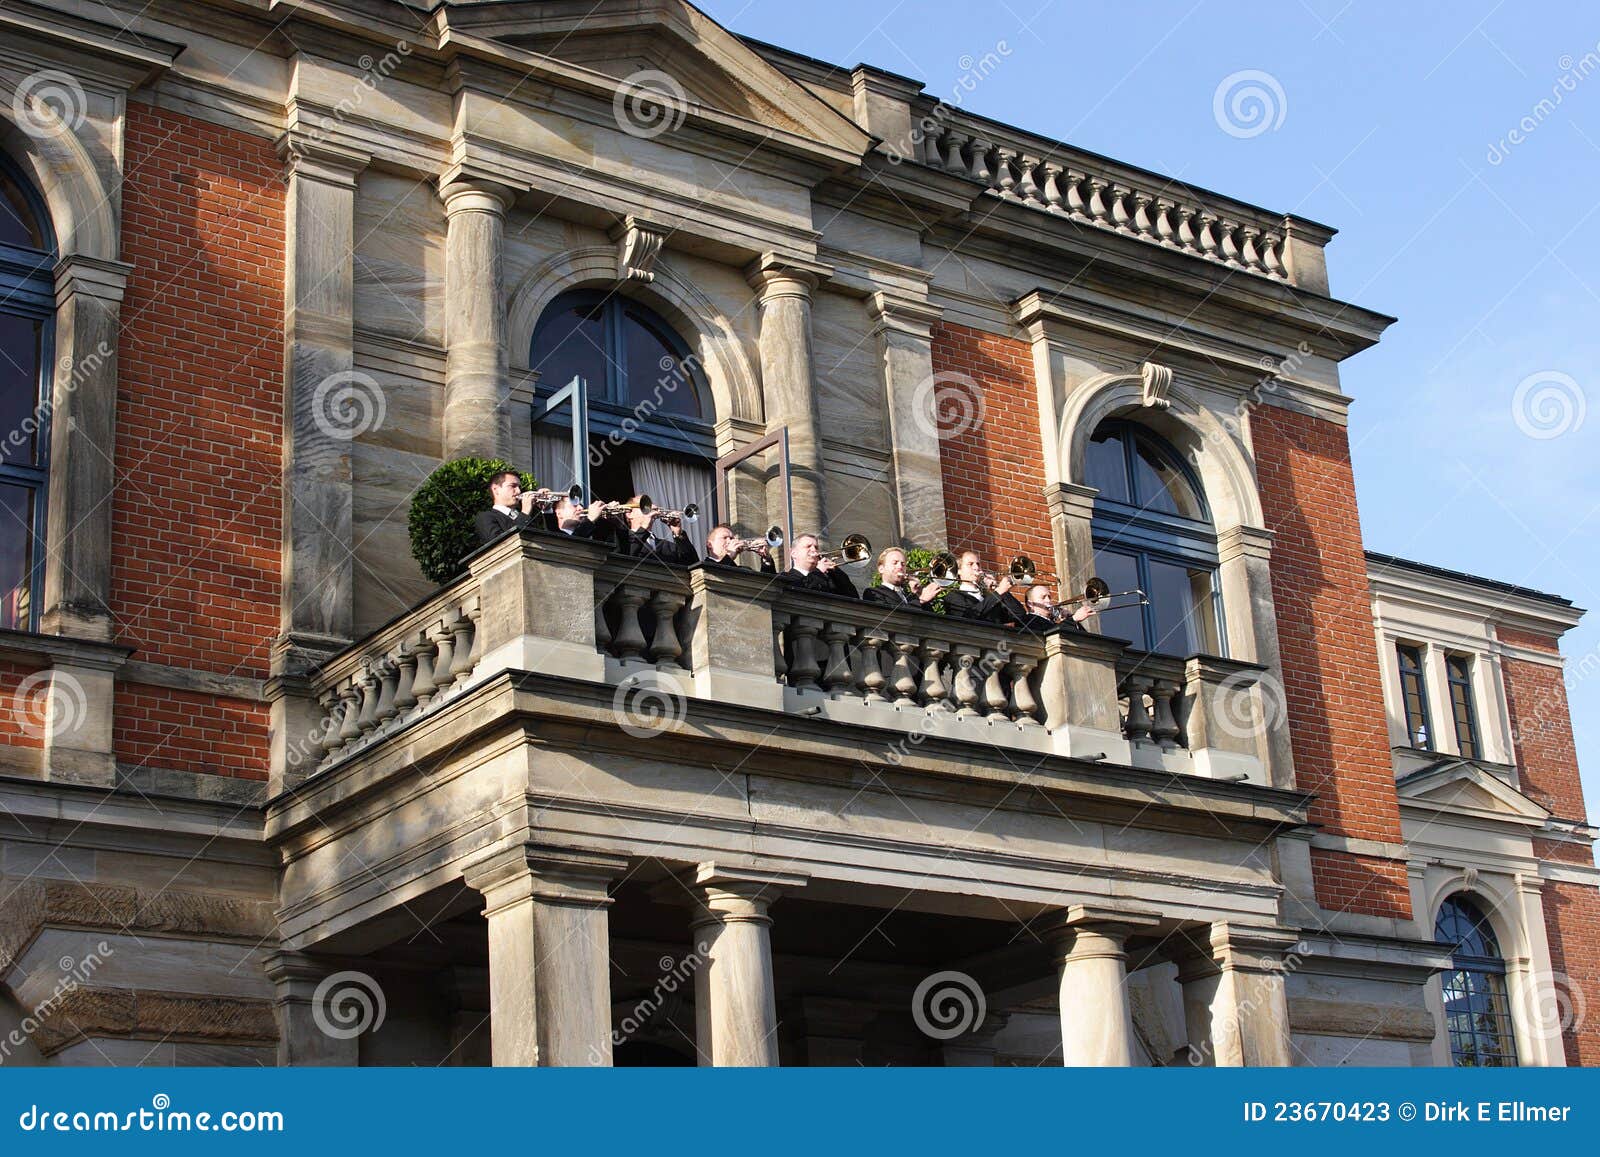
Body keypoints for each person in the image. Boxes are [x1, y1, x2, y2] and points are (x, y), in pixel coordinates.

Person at [941, 550, 1023, 626]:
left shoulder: (991, 597)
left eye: (978, 564)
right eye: (970, 564)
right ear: (959, 570)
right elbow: (969, 616)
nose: (976, 567)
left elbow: (1020, 615)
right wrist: (998, 592)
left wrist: (1000, 590)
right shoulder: (953, 596)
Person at [616, 497, 699, 565]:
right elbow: (625, 560)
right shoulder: (620, 539)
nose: (651, 507)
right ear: (629, 513)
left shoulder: (668, 546)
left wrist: (678, 533)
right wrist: (644, 527)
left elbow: (693, 565)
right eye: (644, 505)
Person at [473, 470, 541, 545]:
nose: (519, 491)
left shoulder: (528, 515)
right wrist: (525, 512)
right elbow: (500, 544)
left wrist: (548, 510)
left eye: (519, 487)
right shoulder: (485, 517)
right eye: (513, 486)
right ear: (496, 490)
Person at [861, 547, 940, 609]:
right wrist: (921, 600)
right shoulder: (873, 593)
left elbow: (929, 621)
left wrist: (919, 594)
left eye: (903, 564)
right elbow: (892, 618)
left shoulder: (910, 596)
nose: (900, 567)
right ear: (881, 568)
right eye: (895, 563)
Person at [782, 533, 857, 597]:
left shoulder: (829, 579)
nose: (814, 550)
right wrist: (819, 571)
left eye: (816, 547)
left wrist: (835, 571)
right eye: (808, 546)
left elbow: (853, 596)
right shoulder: (786, 578)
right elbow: (801, 592)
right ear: (793, 553)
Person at [1018, 583, 1093, 634]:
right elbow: (1051, 635)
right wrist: (1073, 619)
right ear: (1030, 604)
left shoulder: (1053, 622)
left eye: (1049, 597)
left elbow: (1083, 638)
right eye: (1043, 597)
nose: (1048, 601)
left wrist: (1071, 619)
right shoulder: (1027, 620)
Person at [703, 524, 776, 572]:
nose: (730, 541)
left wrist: (766, 559)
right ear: (709, 544)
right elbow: (716, 577)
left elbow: (768, 586)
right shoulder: (704, 567)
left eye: (731, 538)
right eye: (724, 538)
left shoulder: (744, 570)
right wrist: (729, 555)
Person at [544, 493, 610, 541]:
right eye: (574, 505)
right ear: (559, 513)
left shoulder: (594, 534)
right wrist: (590, 519)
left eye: (580, 505)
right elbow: (570, 545)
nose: (581, 508)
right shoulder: (553, 534)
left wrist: (619, 524)